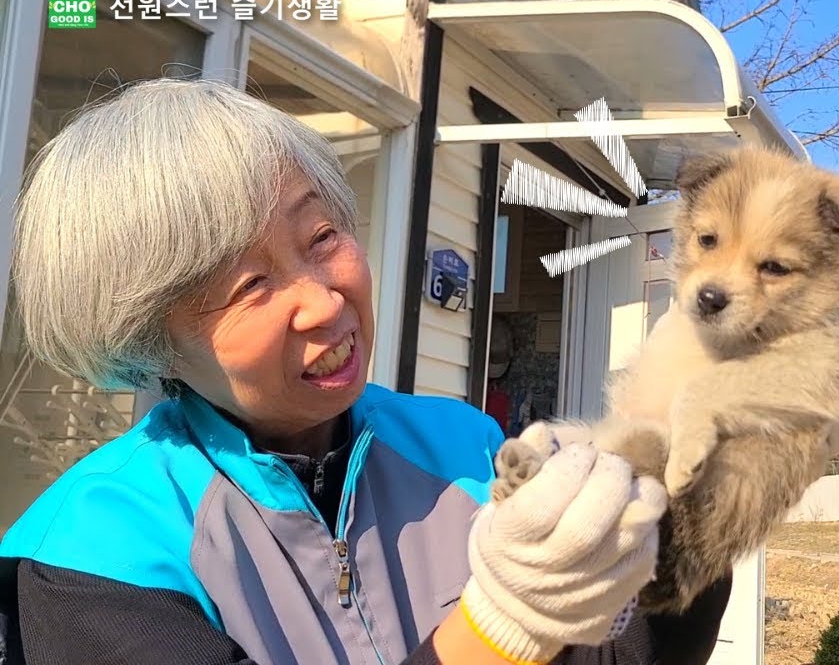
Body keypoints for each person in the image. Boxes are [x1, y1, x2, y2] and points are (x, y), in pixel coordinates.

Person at [0, 78, 731, 665]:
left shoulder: (462, 445)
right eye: (248, 286)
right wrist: (500, 630)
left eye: (321, 236)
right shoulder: (91, 554)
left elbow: (617, 648)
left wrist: (709, 491)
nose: (324, 301)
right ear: (150, 339)